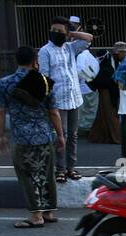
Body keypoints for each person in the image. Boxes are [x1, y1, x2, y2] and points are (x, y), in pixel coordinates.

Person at [0, 47, 65, 228]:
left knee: (27, 176)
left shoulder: (4, 83)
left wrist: (1, 136)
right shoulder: (45, 82)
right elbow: (54, 112)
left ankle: (36, 216)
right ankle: (48, 212)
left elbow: (0, 112)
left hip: (22, 138)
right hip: (44, 135)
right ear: (35, 61)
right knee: (46, 173)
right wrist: (61, 135)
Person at [38, 17, 92, 183]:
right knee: (61, 135)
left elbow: (89, 38)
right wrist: (48, 101)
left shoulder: (70, 48)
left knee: (73, 135)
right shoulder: (45, 51)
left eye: (60, 32)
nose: (55, 34)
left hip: (74, 98)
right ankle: (59, 169)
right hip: (57, 100)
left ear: (67, 34)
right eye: (53, 30)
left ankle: (71, 168)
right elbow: (45, 77)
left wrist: (70, 33)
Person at [86, 46, 121, 144]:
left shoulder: (107, 70)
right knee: (103, 115)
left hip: (107, 96)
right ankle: (102, 135)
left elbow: (101, 82)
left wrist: (88, 77)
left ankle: (116, 137)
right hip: (104, 95)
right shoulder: (105, 68)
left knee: (109, 115)